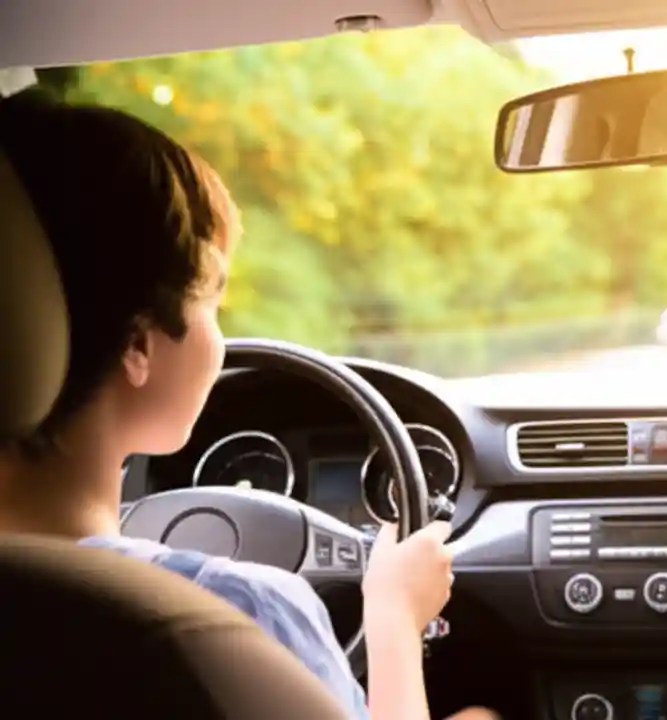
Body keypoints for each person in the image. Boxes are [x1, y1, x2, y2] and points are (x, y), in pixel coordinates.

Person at [0, 90, 493, 720]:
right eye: (212, 302)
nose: (220, 335)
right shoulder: (241, 608)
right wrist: (394, 614)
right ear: (138, 343)